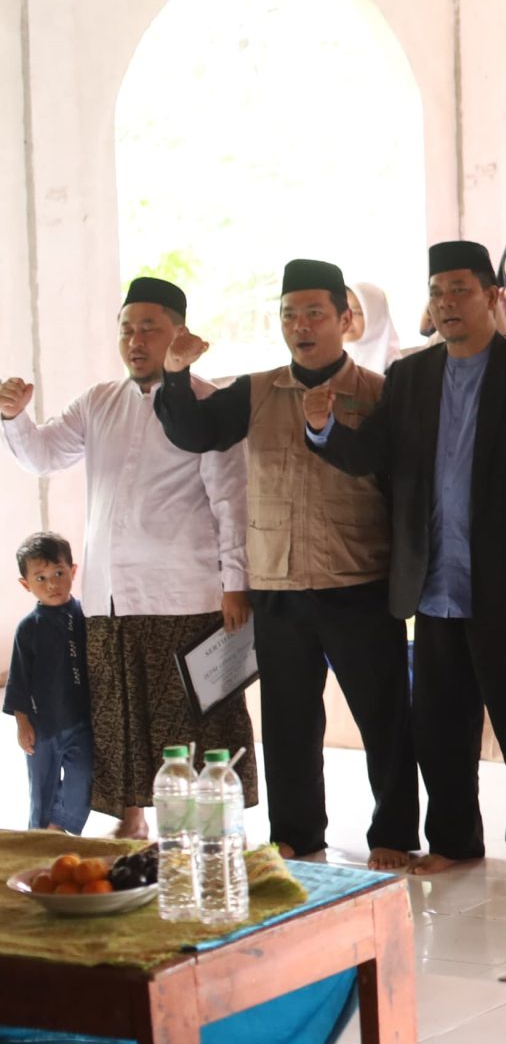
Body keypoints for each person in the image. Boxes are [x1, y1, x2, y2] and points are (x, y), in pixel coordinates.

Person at [302, 241, 506, 881]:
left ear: (490, 295)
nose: (447, 303)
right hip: (433, 585)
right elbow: (375, 453)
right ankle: (454, 840)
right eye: (437, 292)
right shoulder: (411, 376)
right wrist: (324, 431)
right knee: (440, 729)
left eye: (459, 290)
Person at [156, 259, 417, 870]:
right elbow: (194, 431)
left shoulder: (379, 393)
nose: (301, 326)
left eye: (315, 313)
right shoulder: (254, 390)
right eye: (289, 315)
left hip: (359, 581)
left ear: (345, 319)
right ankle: (298, 837)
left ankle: (394, 835)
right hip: (278, 584)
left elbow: (402, 486)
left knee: (385, 719)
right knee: (290, 724)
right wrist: (176, 372)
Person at [1, 277, 252, 839]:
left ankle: (196, 827)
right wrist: (15, 418)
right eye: (126, 329)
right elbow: (43, 456)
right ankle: (130, 818)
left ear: (179, 333)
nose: (135, 340)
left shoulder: (210, 404)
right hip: (111, 595)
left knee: (185, 717)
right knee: (117, 717)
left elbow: (231, 501)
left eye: (149, 328)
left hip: (185, 592)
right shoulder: (99, 401)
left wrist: (236, 584)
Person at [9, 532, 89, 832]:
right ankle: (40, 837)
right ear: (26, 584)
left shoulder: (84, 615)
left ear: (73, 571)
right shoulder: (29, 628)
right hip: (44, 726)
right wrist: (22, 723)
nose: (52, 584)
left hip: (81, 721)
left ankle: (58, 827)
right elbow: (18, 679)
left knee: (83, 778)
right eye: (40, 578)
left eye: (58, 573)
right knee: (41, 787)